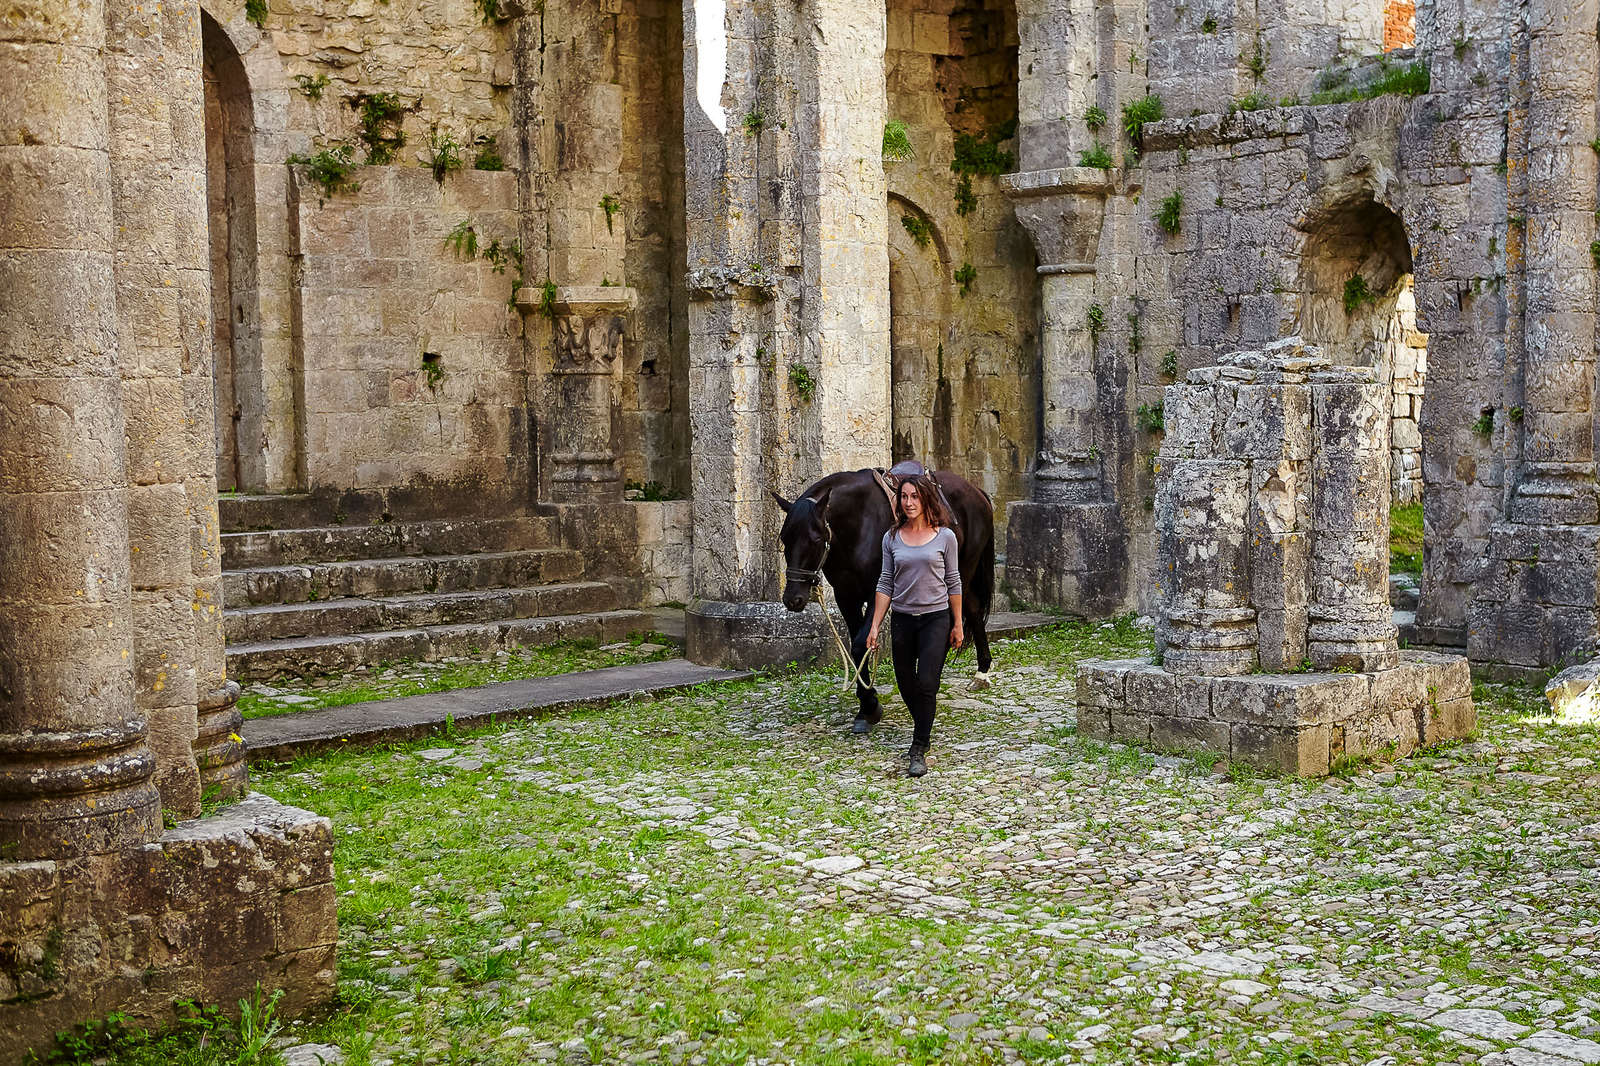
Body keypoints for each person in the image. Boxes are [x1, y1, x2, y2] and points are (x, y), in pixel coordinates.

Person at [865, 474, 963, 777]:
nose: (908, 503)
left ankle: (919, 745)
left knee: (927, 683)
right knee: (906, 684)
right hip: (904, 620)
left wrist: (958, 623)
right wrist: (875, 626)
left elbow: (953, 582)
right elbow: (885, 583)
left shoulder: (945, 537)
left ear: (926, 500)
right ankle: (924, 720)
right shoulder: (891, 538)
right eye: (904, 497)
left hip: (935, 619)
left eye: (914, 497)